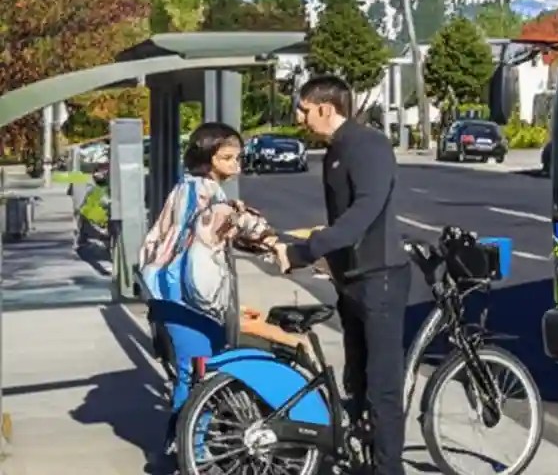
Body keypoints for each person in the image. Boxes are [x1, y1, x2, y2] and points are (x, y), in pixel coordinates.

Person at [138, 121, 305, 454]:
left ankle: (183, 446)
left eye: (238, 157)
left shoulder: (188, 188)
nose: (237, 164)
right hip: (185, 303)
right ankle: (192, 452)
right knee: (198, 376)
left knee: (194, 375)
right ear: (209, 158)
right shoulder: (203, 191)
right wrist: (270, 238)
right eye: (229, 157)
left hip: (177, 299)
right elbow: (226, 219)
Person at [274, 74, 408, 475]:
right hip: (351, 279)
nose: (298, 117)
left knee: (382, 388)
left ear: (325, 108)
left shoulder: (368, 147)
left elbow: (361, 216)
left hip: (380, 278)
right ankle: (365, 458)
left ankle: (389, 469)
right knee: (358, 380)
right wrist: (327, 260)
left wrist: (303, 251)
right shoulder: (335, 150)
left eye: (303, 109)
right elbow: (342, 222)